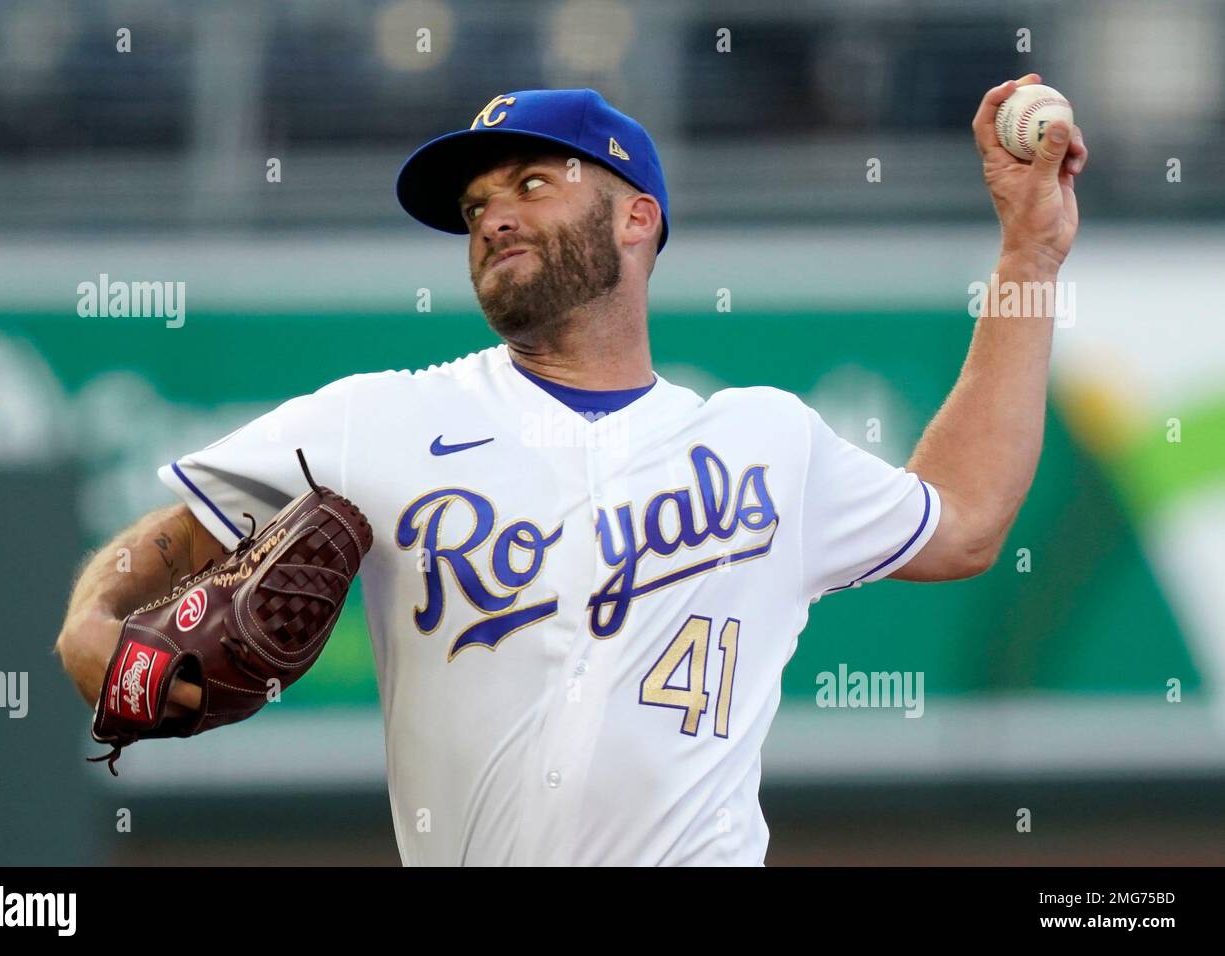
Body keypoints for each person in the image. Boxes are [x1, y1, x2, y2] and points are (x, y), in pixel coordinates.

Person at [56, 83, 1087, 865]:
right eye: (476, 204)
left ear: (637, 217)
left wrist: (1028, 260)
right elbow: (163, 546)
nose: (493, 215)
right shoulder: (378, 419)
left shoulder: (764, 441)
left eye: (533, 183)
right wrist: (98, 628)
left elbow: (964, 520)